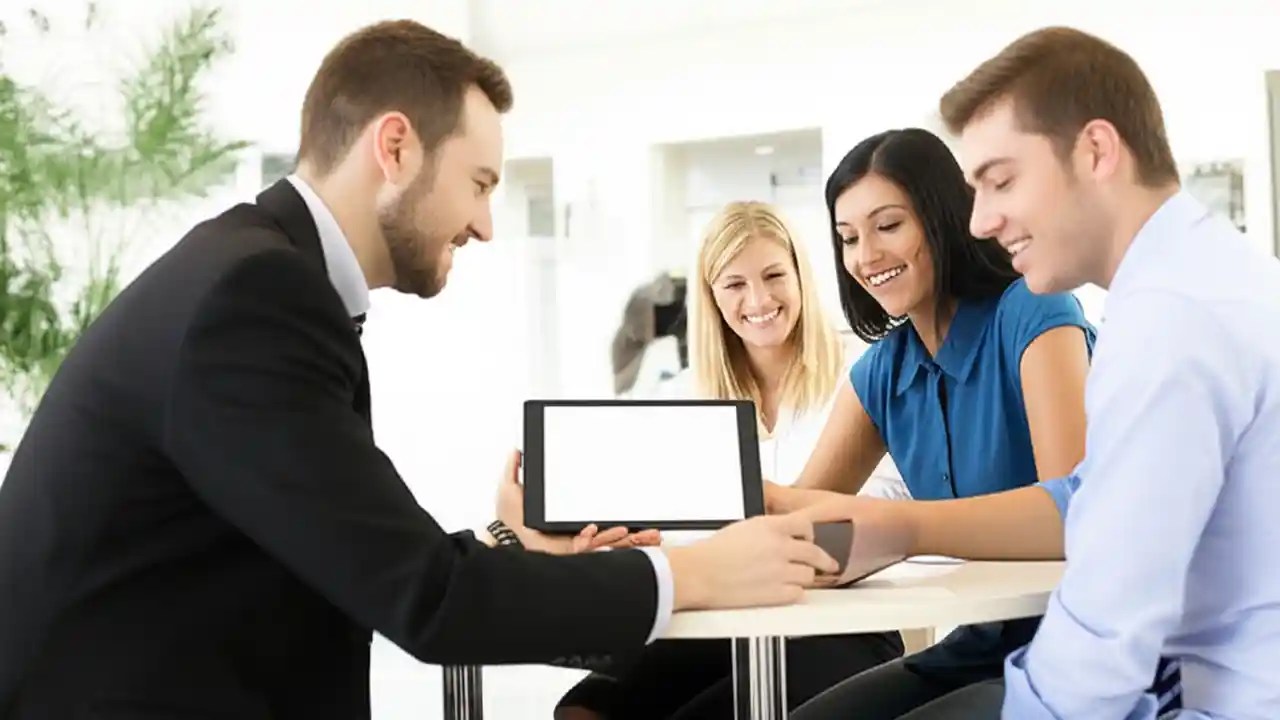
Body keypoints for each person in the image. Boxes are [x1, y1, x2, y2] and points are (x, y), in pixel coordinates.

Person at [0, 21, 841, 719]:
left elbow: (346, 547)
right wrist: (694, 572)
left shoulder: (254, 270)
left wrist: (515, 551)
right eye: (478, 183)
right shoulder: (254, 296)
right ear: (394, 146)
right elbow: (426, 602)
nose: (484, 225)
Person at [795, 25, 1280, 720]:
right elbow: (1087, 499)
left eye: (1001, 181)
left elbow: (1101, 640)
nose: (982, 220)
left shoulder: (1169, 325)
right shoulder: (1201, 284)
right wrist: (900, 528)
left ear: (1096, 151)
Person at [764, 126, 1098, 720]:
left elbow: (1073, 518)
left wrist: (900, 527)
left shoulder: (1035, 312)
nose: (866, 257)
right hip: (979, 646)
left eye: (888, 226)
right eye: (848, 238)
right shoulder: (881, 373)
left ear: (942, 219)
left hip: (1081, 645)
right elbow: (805, 508)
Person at [554, 201, 909, 719]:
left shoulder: (861, 373)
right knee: (585, 710)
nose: (759, 299)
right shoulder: (680, 397)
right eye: (735, 284)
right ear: (712, 296)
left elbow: (891, 506)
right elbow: (667, 527)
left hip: (842, 622)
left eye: (773, 276)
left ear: (800, 278)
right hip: (720, 617)